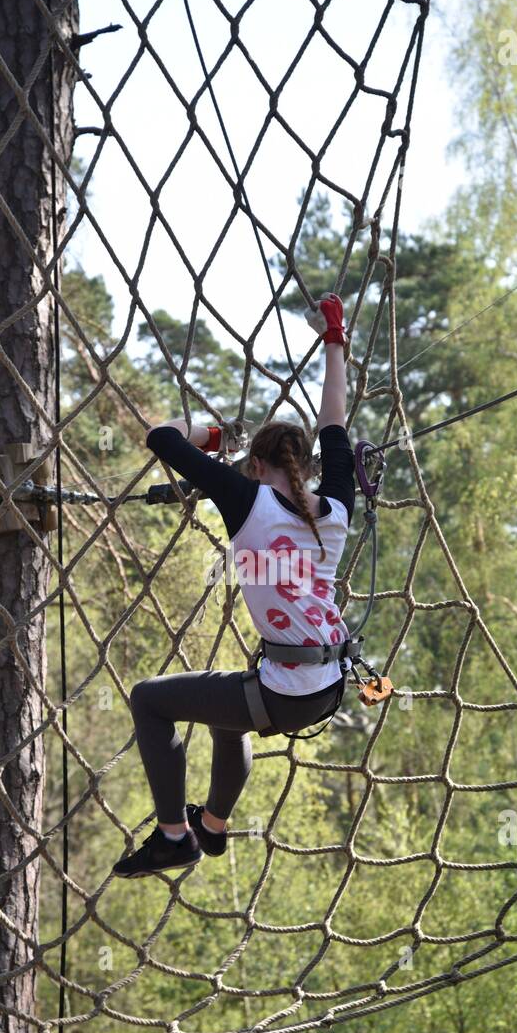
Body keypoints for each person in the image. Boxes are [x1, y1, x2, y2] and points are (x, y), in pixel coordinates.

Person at [113, 293, 357, 880]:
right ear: (309, 467)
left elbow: (162, 439)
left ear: (255, 466)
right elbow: (335, 419)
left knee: (150, 699)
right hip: (327, 686)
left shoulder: (245, 498)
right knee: (226, 706)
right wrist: (334, 342)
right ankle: (213, 826)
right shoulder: (337, 507)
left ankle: (175, 836)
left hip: (289, 690)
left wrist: (210, 433)